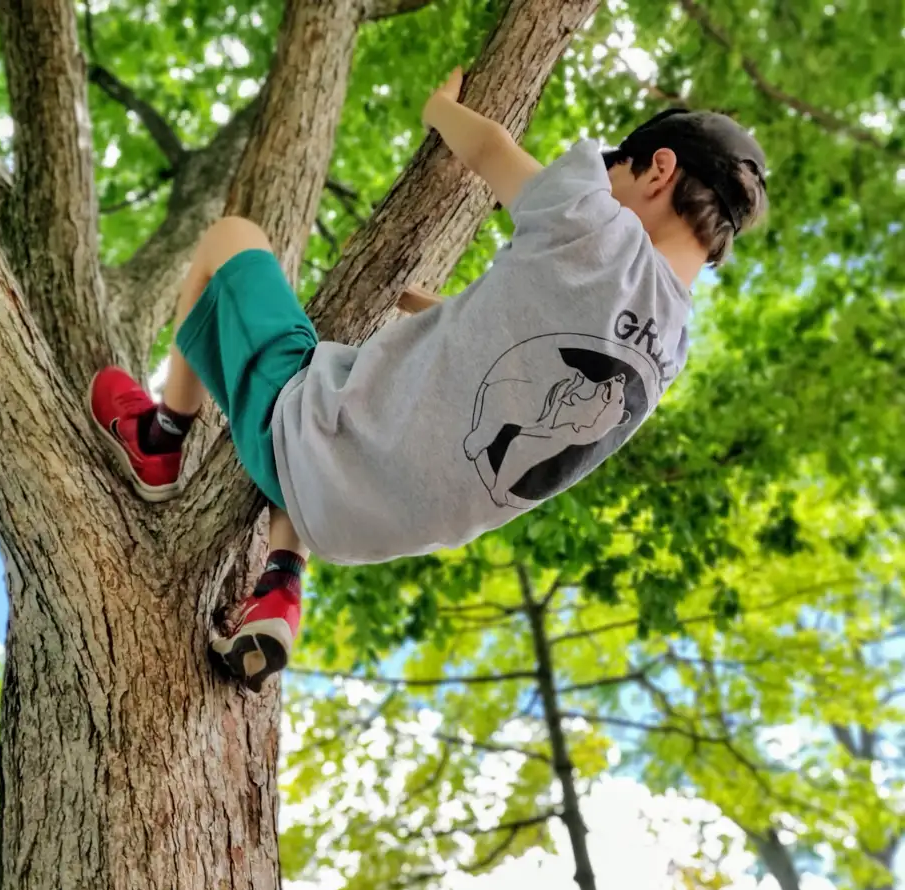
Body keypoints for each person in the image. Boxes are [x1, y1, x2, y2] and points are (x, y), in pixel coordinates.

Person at [87, 68, 768, 691]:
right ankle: (282, 581)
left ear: (659, 170)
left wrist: (439, 105)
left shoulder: (596, 224)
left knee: (230, 239)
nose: (609, 185)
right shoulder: (667, 353)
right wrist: (451, 314)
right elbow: (541, 354)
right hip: (370, 528)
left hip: (315, 441)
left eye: (621, 173)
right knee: (357, 389)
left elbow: (489, 150)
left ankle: (160, 437)